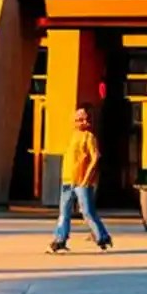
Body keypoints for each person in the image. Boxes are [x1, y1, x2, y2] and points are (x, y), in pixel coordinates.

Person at [47, 104, 113, 253]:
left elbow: (95, 157)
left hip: (82, 181)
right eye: (78, 119)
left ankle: (102, 236)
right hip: (68, 179)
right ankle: (60, 239)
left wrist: (87, 177)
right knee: (64, 212)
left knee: (87, 212)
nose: (82, 122)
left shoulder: (89, 137)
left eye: (84, 119)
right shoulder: (72, 136)